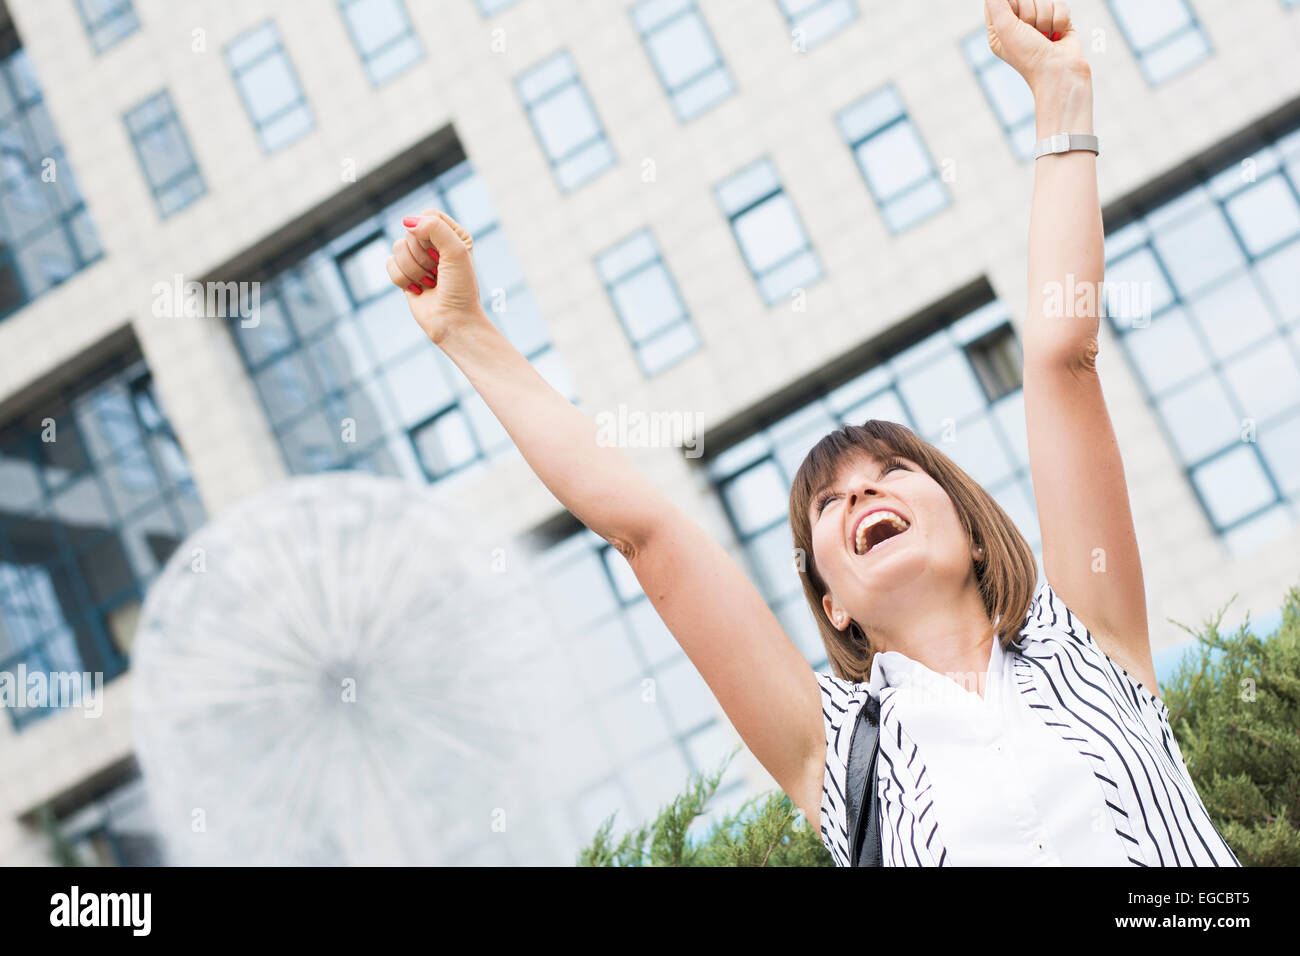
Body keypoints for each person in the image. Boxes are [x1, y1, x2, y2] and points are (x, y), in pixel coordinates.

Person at [383, 0, 1240, 866]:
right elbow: (644, 530)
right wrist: (465, 331)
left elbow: (1061, 354)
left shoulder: (1090, 640)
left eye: (894, 471)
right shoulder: (835, 754)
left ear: (973, 534)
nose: (862, 490)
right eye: (828, 503)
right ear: (831, 601)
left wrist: (1060, 92)